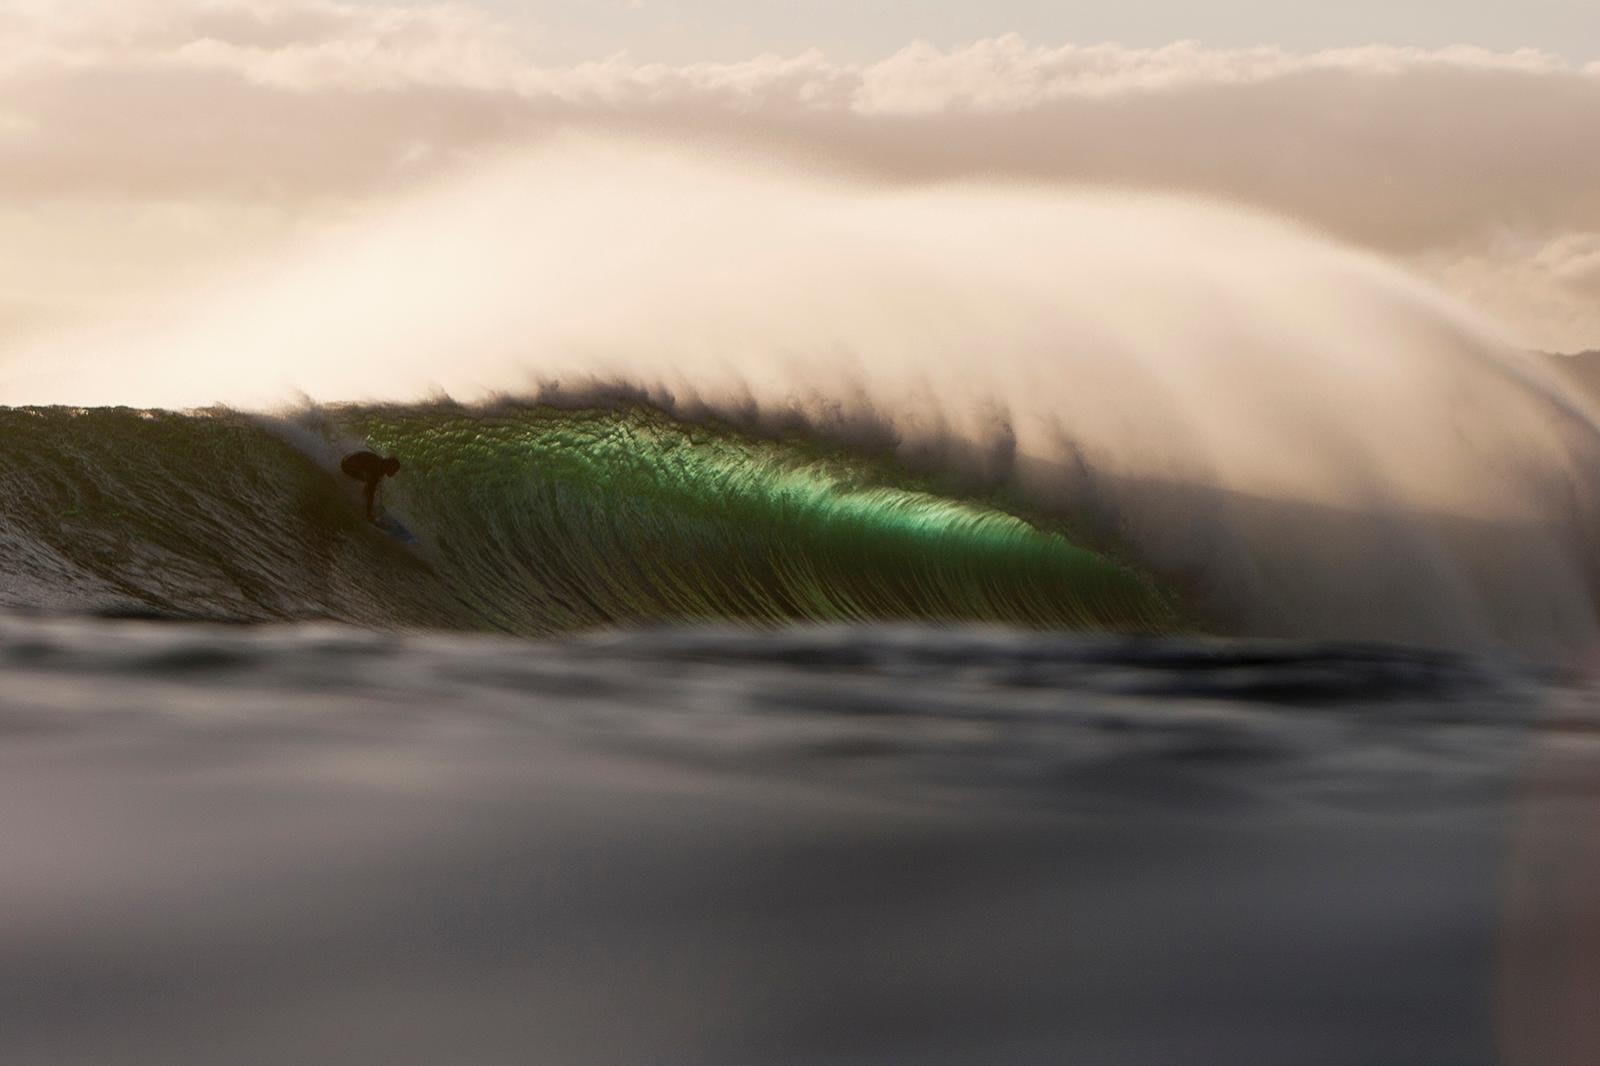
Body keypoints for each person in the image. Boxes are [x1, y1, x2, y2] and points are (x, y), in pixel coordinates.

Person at [340, 450, 402, 522]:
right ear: (389, 466)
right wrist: (369, 514)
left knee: (372, 483)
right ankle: (364, 504)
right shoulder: (376, 469)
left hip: (346, 460)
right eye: (394, 470)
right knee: (371, 485)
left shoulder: (380, 463)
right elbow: (371, 494)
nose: (393, 474)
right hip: (347, 466)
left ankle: (363, 498)